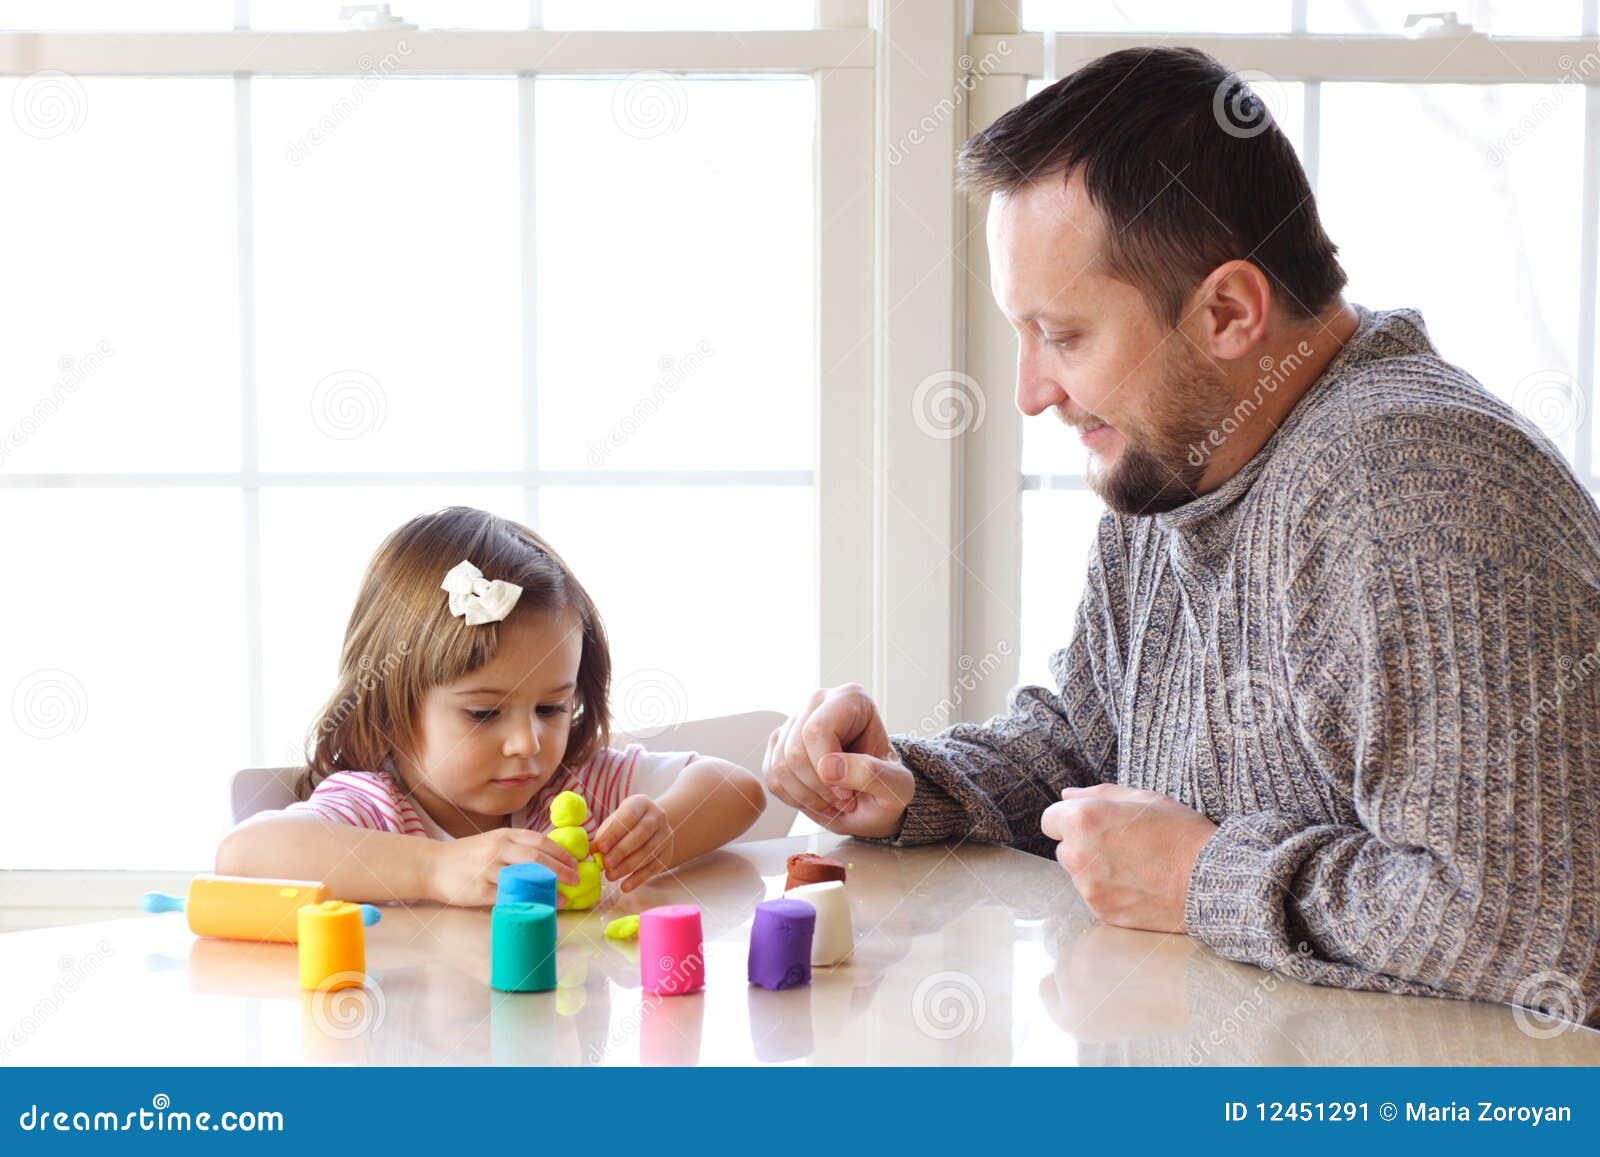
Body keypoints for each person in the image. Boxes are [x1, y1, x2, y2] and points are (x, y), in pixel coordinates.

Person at [764, 47, 1600, 1025]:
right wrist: (910, 787)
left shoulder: (1411, 488)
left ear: (1228, 313)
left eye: (1064, 336)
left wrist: (1201, 875)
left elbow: (1549, 927)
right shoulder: (1185, 459)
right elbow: (1091, 742)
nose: (1031, 391)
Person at [217, 506, 766, 906]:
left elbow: (738, 788)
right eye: (483, 713)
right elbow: (242, 856)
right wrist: (435, 870)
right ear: (390, 709)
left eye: (551, 708)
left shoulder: (578, 789)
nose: (527, 743)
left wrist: (664, 830)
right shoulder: (375, 811)